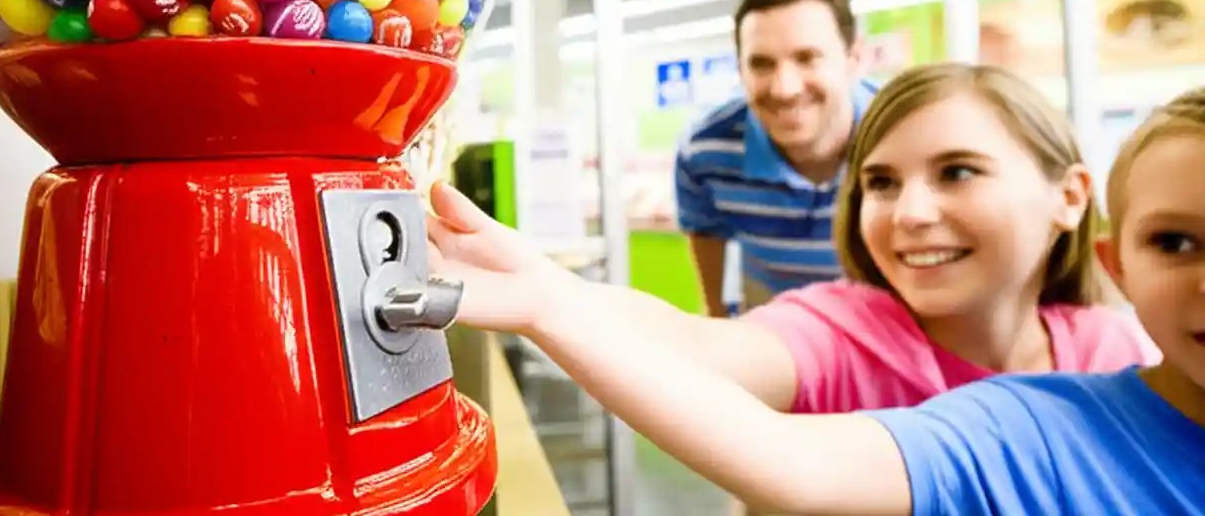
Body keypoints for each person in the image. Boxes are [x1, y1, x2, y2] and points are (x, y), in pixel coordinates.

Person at [422, 72, 1199, 514]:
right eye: (880, 183)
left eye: (957, 171)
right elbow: (705, 351)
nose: (911, 212)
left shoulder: (1111, 351)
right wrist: (552, 295)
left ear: (1070, 197)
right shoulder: (853, 331)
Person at [674, 0, 877, 317]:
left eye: (807, 58)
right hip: (779, 330)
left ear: (854, 60)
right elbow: (713, 285)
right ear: (740, 69)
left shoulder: (905, 136)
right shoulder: (707, 154)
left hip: (895, 331)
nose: (785, 88)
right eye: (761, 64)